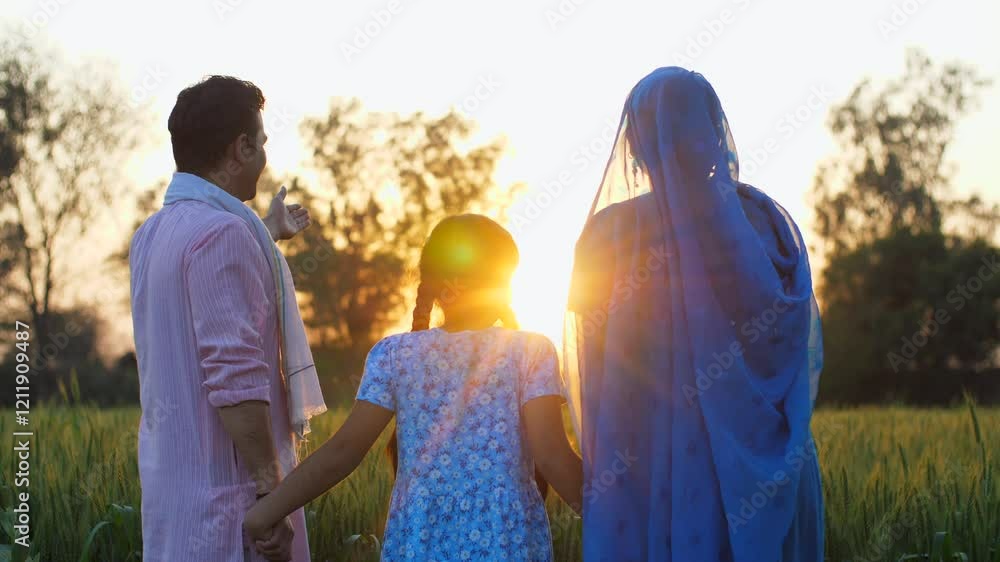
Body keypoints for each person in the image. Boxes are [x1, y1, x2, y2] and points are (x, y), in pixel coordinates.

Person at [562, 67, 825, 561]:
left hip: (648, 468)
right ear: (712, 130)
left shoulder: (609, 233)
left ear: (634, 142)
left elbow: (594, 359)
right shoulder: (764, 220)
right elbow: (789, 345)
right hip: (767, 467)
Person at [244, 214, 584, 561]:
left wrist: (267, 511)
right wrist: (623, 518)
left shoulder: (395, 355)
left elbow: (343, 451)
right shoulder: (531, 351)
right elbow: (553, 457)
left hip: (419, 546)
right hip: (506, 545)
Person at [129, 75, 326, 562]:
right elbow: (235, 379)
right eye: (259, 143)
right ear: (240, 148)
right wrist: (269, 497)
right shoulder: (222, 235)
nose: (263, 156)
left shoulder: (152, 235)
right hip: (230, 506)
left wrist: (266, 233)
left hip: (174, 499)